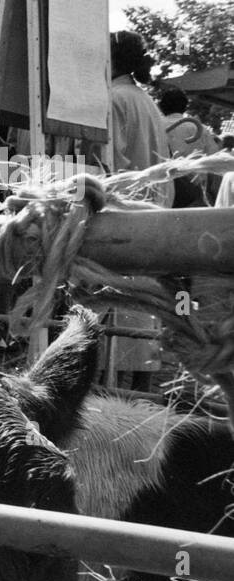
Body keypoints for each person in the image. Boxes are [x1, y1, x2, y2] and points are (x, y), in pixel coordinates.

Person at [108, 30, 173, 390]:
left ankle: (114, 396)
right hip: (154, 218)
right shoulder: (148, 103)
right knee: (146, 314)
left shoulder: (114, 99)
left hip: (124, 219)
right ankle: (143, 394)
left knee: (117, 317)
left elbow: (110, 166)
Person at [158, 85, 219, 207]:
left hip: (164, 193)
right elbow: (215, 160)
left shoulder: (156, 126)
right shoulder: (199, 128)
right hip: (196, 196)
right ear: (184, 106)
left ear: (161, 105)